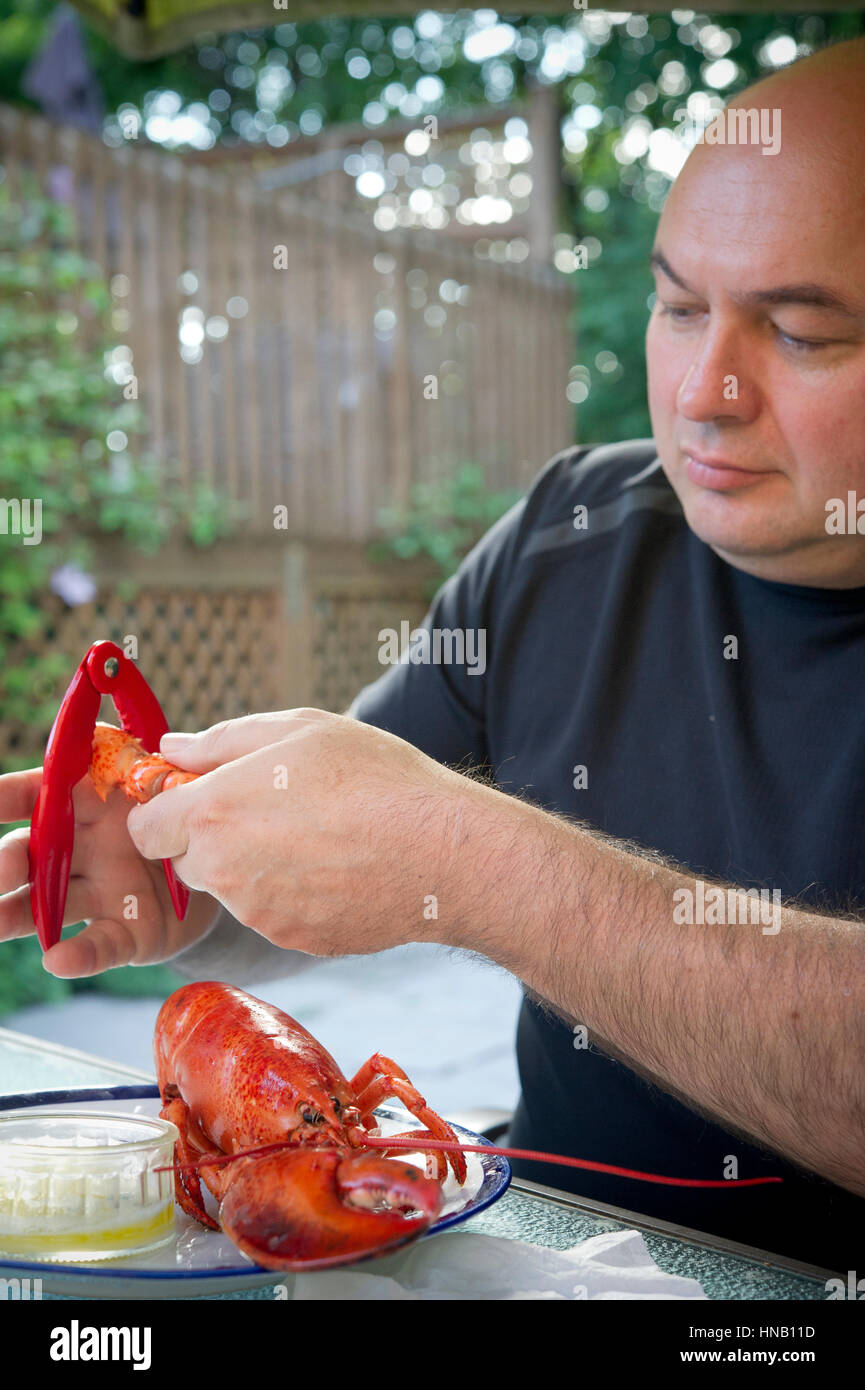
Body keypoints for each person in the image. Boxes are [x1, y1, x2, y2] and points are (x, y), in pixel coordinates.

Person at [2, 37, 864, 1271]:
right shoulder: (565, 531)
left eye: (798, 332)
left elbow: (448, 859)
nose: (703, 393)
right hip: (523, 1255)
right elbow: (347, 864)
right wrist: (195, 883)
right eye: (679, 307)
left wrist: (478, 860)